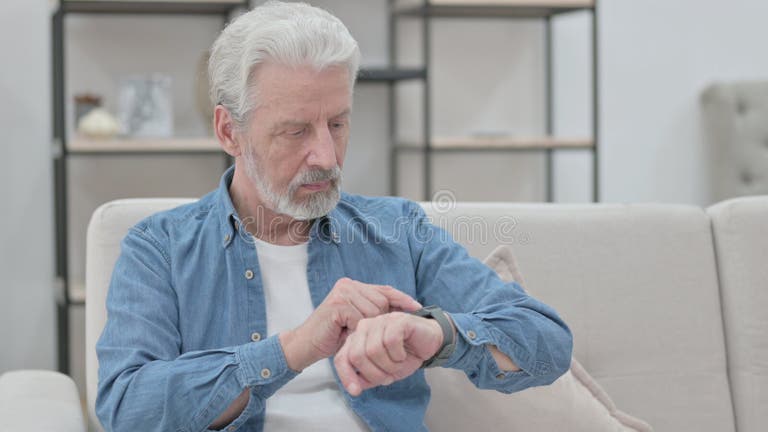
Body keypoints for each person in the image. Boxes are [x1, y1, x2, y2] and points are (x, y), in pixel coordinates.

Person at [95, 2, 573, 431]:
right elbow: (127, 409)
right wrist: (294, 348)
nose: (325, 155)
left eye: (338, 124)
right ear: (229, 131)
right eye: (296, 130)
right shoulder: (159, 248)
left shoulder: (398, 231)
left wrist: (436, 333)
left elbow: (547, 342)